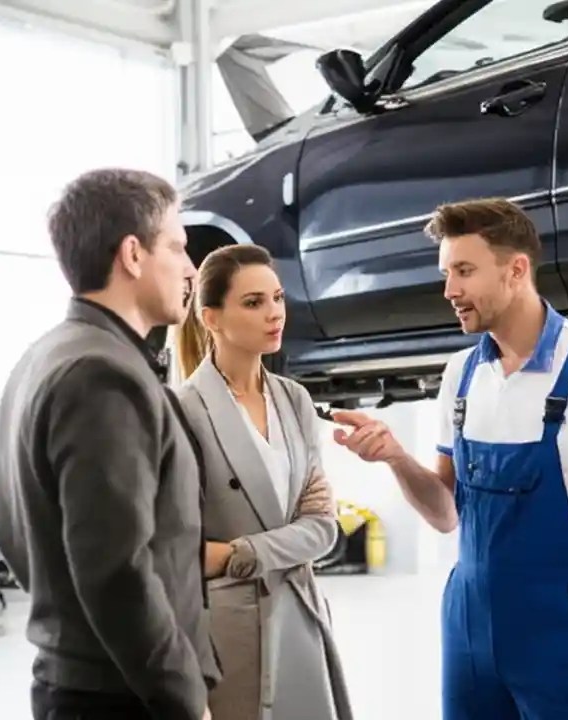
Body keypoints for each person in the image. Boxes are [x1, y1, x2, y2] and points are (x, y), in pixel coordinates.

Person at [331, 198, 568, 719]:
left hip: (561, 637)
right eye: (446, 273)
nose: (449, 290)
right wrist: (395, 457)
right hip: (467, 633)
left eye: (464, 271)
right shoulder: (461, 376)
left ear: (516, 269)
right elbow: (445, 514)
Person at [0, 168, 220, 720]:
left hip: (87, 679)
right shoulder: (102, 374)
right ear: (133, 255)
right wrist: (184, 699)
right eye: (178, 247)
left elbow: (13, 531)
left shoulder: (43, 357)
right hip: (123, 696)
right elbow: (115, 569)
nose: (191, 269)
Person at [173, 244, 354, 720]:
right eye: (254, 303)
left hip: (300, 609)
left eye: (277, 298)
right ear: (211, 318)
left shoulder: (294, 399)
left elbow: (322, 526)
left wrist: (239, 554)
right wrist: (275, 546)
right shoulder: (183, 411)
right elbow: (179, 543)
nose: (274, 313)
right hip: (229, 626)